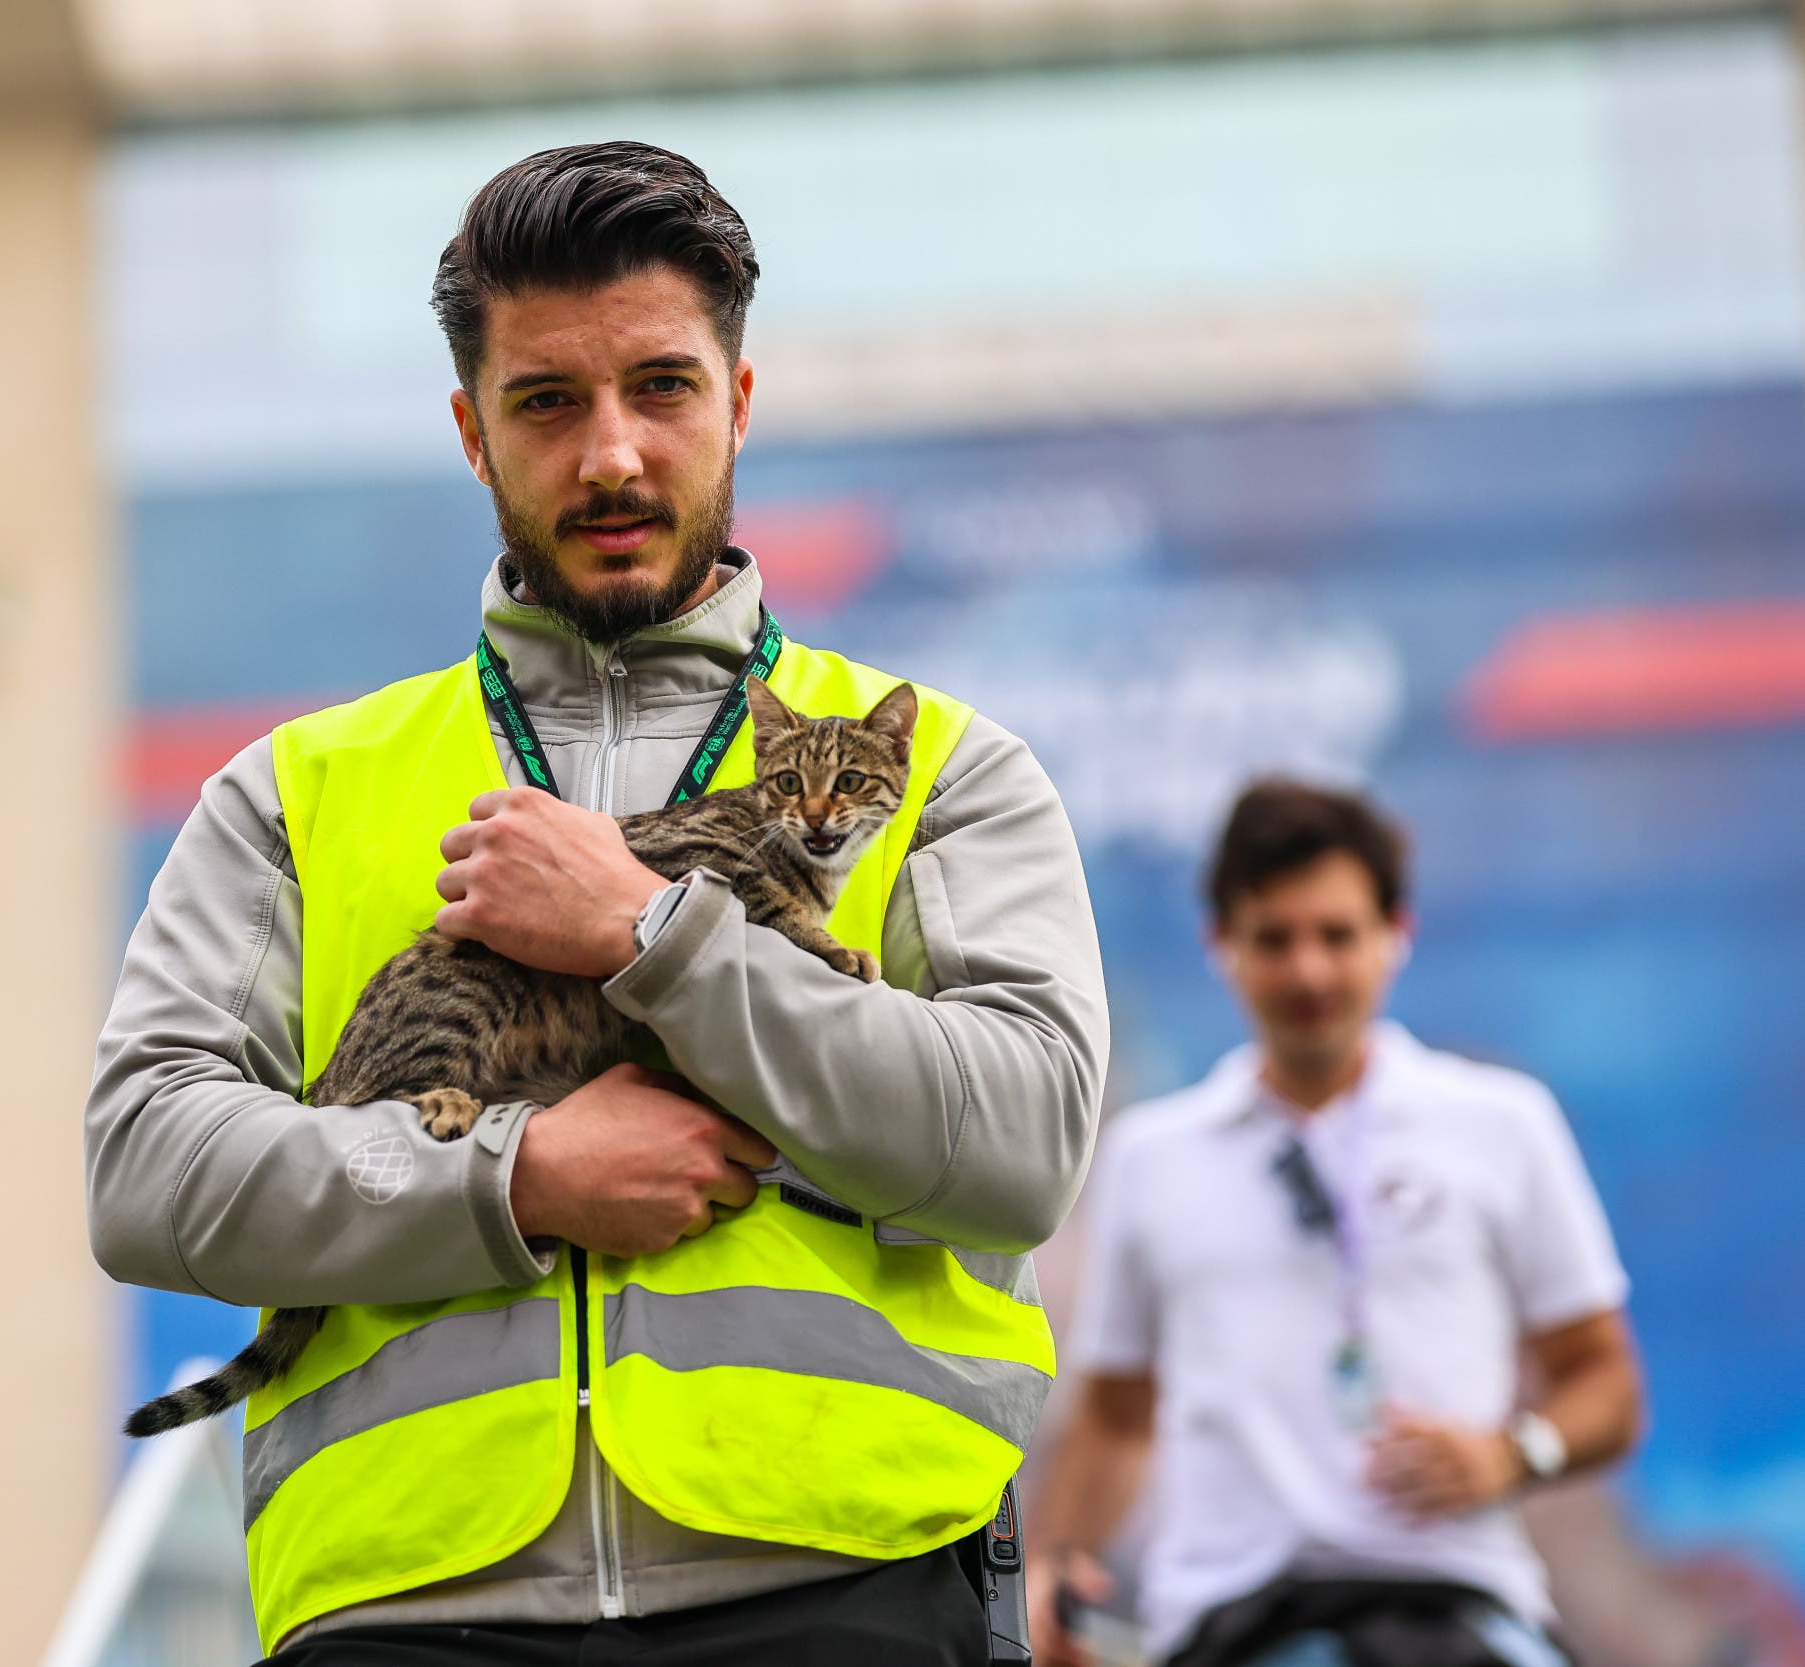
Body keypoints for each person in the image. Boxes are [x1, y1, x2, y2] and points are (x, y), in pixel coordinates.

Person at [85, 141, 1109, 1664]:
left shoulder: (950, 765)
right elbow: (145, 1171)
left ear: (738, 401)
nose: (612, 455)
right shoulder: (293, 790)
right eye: (547, 401)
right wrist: (511, 1178)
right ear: (472, 431)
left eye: (662, 388)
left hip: (852, 1583)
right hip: (412, 1608)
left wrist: (654, 934)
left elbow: (1021, 1148)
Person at [1029, 779, 1645, 1667]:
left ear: (1397, 933)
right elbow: (1117, 1417)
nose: (1308, 971)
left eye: (1337, 935)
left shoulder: (1503, 1124)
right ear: (1220, 944)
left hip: (1456, 1605)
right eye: (1274, 938)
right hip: (1229, 1620)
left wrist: (1514, 1453)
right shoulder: (1150, 1157)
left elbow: (1606, 1383)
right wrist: (1051, 1568)